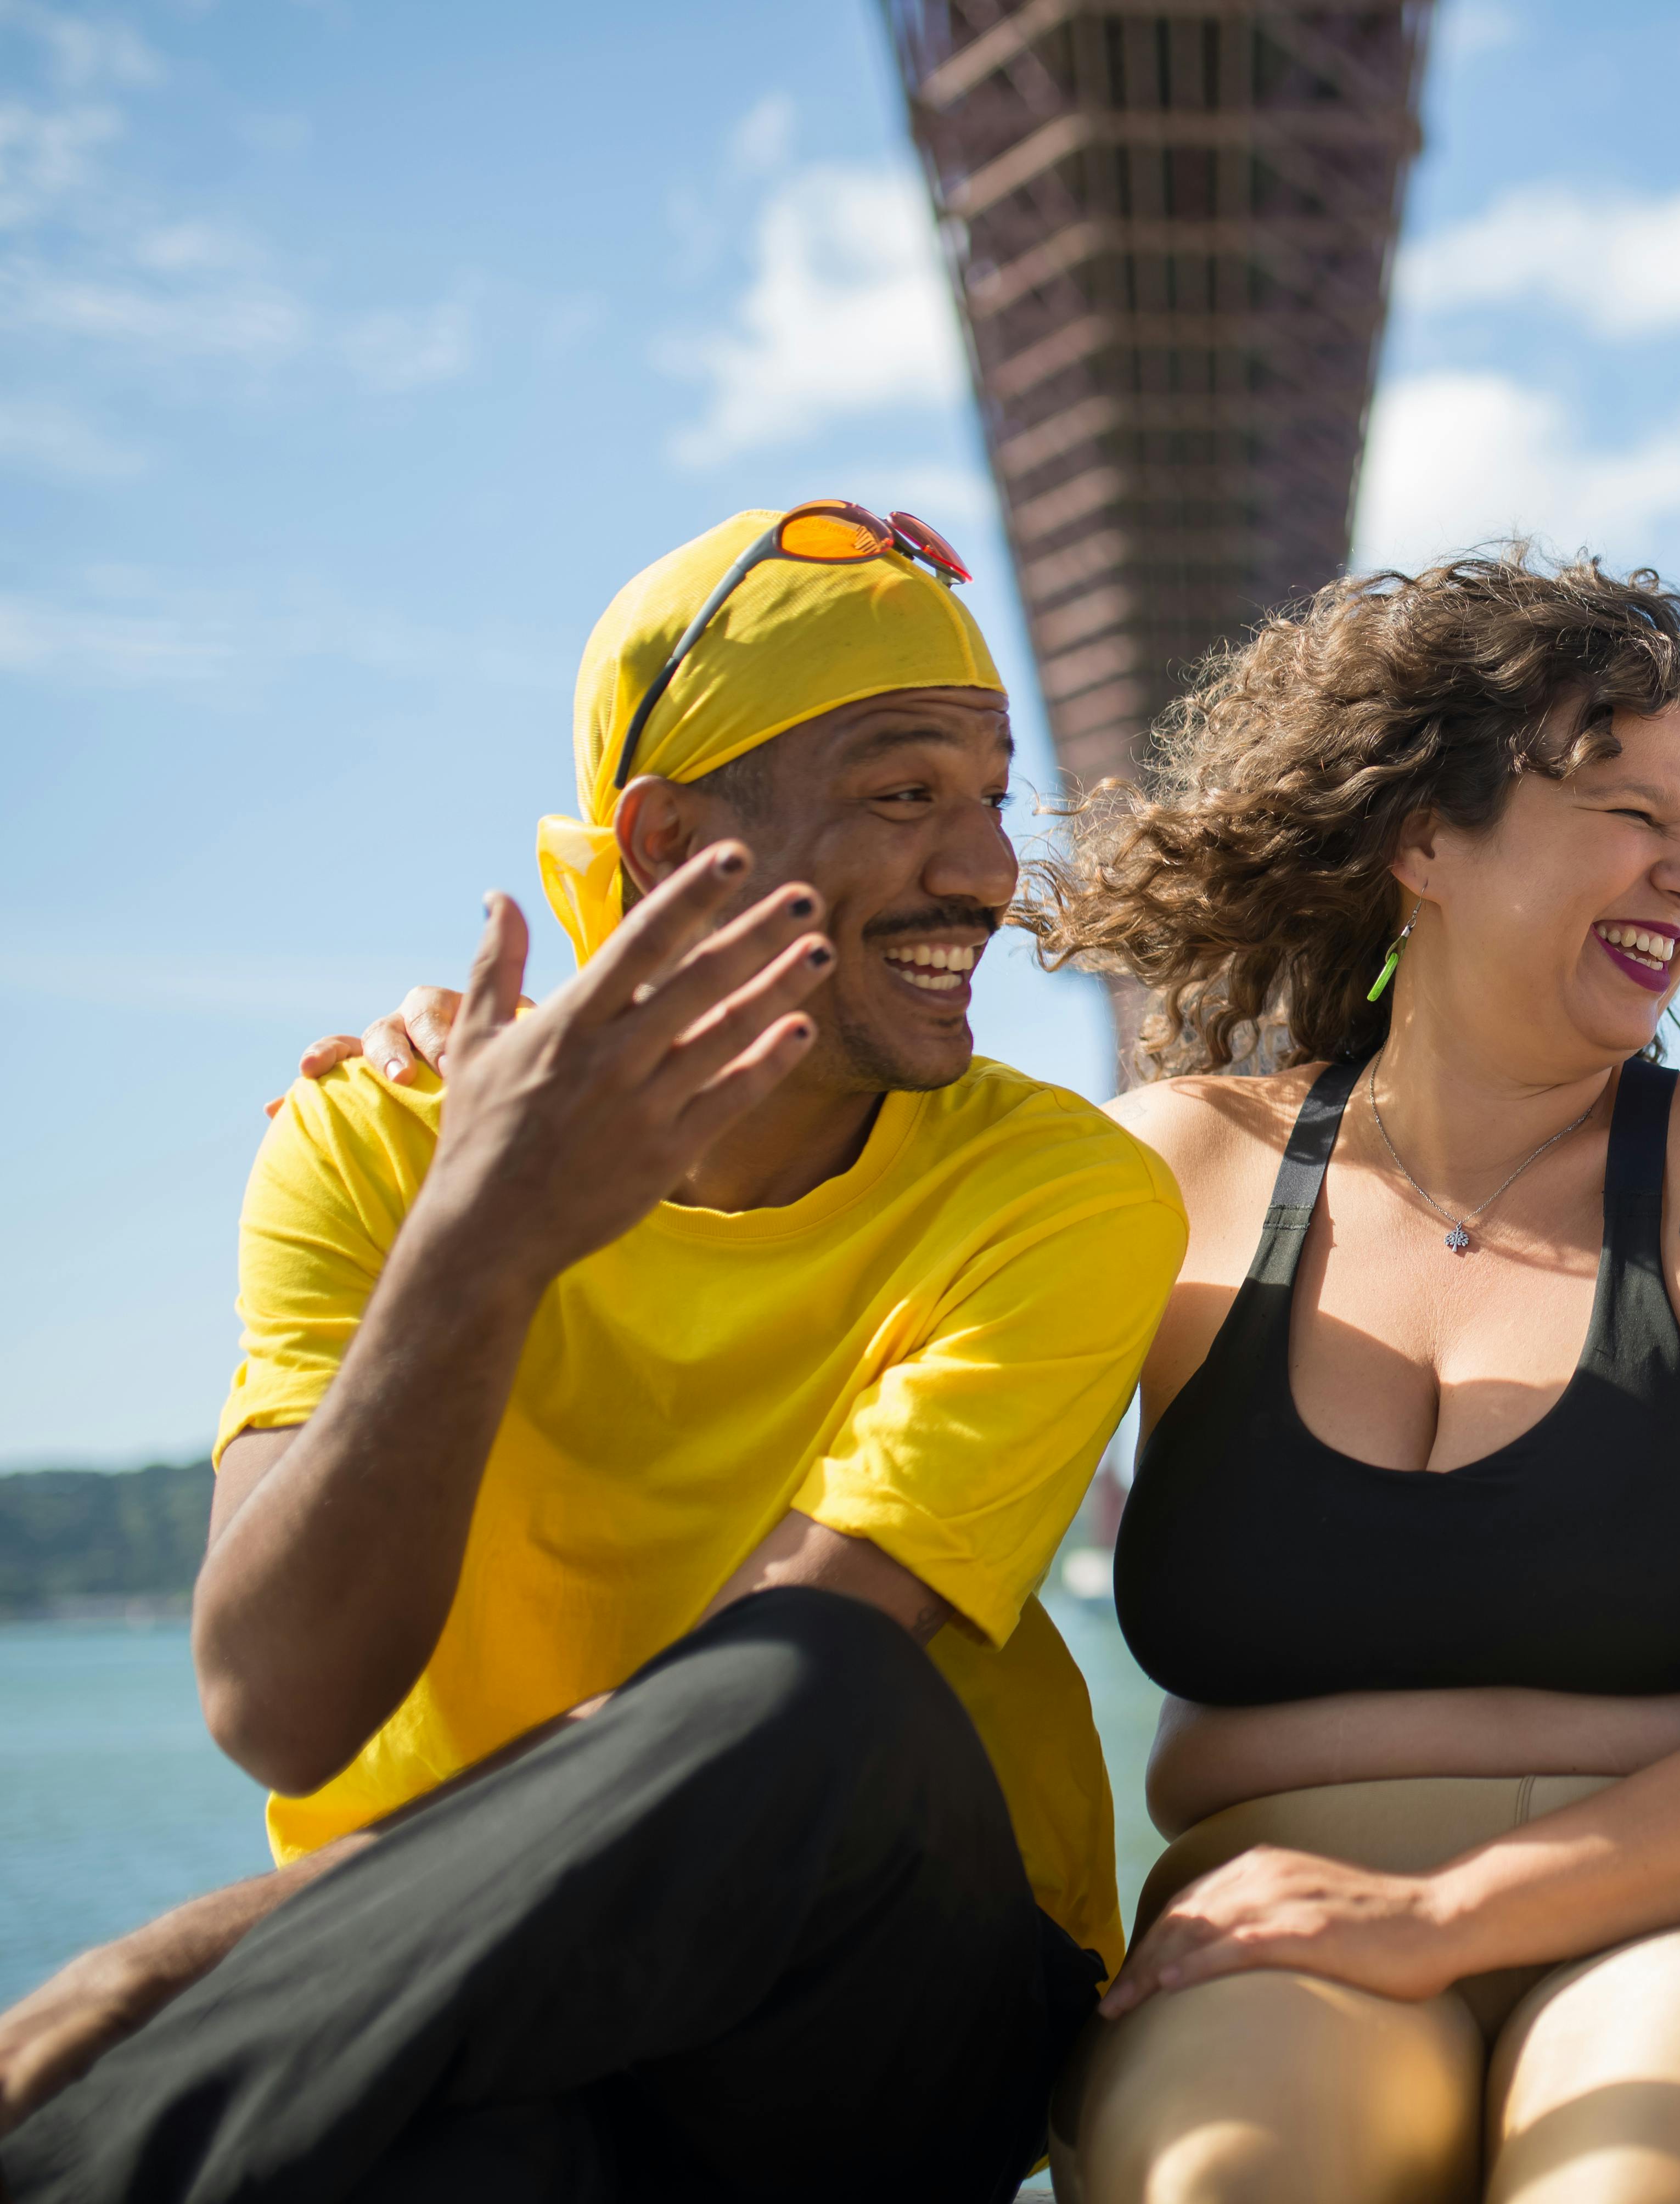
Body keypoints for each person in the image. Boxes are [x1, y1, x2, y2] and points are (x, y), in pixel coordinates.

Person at [0, 504, 1188, 2202]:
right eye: (904, 795)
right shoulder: (371, 1146)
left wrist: (167, 1961)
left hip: (878, 2018)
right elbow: (280, 1710)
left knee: (827, 1690)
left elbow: (754, 1728)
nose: (990, 872)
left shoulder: (1062, 1197)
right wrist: (477, 1249)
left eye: (994, 797)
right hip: (451, 2009)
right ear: (667, 841)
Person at [1023, 548, 1680, 2202]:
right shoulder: (1177, 1167)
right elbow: (920, 1523)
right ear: (1423, 839)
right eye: (1632, 812)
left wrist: (1441, 1916)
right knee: (1236, 2177)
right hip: (1273, 1922)